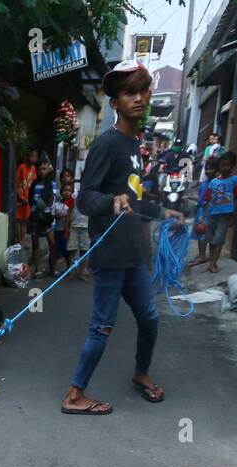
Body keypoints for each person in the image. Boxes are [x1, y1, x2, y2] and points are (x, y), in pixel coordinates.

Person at [61, 60, 183, 416]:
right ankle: (74, 394)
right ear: (115, 102)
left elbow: (136, 198)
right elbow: (85, 198)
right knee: (102, 326)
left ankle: (141, 373)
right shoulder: (108, 144)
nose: (139, 98)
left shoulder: (135, 144)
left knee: (150, 317)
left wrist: (164, 213)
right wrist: (110, 202)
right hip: (110, 254)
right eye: (129, 92)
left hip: (133, 254)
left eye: (143, 90)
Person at [201, 151, 237, 273]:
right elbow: (207, 200)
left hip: (225, 216)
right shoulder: (213, 182)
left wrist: (235, 216)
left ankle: (213, 263)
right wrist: (204, 217)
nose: (225, 168)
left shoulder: (235, 180)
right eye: (223, 165)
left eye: (228, 165)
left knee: (218, 240)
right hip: (212, 214)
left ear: (233, 165)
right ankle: (211, 262)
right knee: (211, 240)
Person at [28, 156, 59, 277]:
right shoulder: (34, 186)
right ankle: (38, 270)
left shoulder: (53, 184)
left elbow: (55, 200)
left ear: (48, 169)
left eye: (44, 169)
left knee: (53, 244)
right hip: (35, 217)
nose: (42, 171)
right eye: (40, 169)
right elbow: (31, 200)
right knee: (35, 244)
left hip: (49, 218)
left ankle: (53, 269)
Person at [15, 147, 39, 245]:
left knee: (25, 221)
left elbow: (34, 184)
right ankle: (19, 240)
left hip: (29, 199)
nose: (33, 158)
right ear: (27, 156)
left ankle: (22, 240)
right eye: (31, 156)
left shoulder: (34, 169)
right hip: (21, 198)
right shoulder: (21, 167)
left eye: (35, 156)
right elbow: (15, 184)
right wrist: (20, 197)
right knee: (18, 220)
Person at [54, 169, 75, 273]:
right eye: (63, 176)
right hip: (58, 228)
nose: (65, 178)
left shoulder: (73, 200)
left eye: (67, 176)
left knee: (68, 248)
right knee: (60, 246)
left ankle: (69, 267)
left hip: (68, 228)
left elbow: (72, 215)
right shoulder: (58, 201)